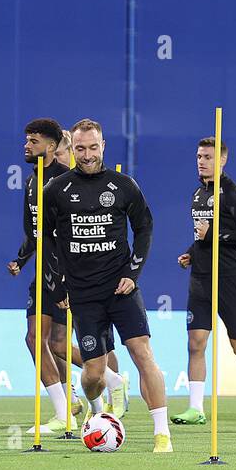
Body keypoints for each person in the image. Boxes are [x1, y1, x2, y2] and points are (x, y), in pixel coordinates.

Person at [42, 119, 172, 452]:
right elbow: (48, 242)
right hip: (84, 295)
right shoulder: (56, 190)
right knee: (93, 374)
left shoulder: (124, 185)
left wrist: (134, 273)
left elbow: (145, 228)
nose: (87, 155)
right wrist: (58, 286)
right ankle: (98, 414)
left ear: (103, 146)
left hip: (121, 289)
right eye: (80, 148)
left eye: (93, 147)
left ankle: (162, 434)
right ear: (73, 149)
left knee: (142, 353)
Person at [173, 137, 236, 426]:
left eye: (207, 157)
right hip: (200, 278)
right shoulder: (197, 195)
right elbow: (199, 236)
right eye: (199, 156)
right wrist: (191, 253)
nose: (201, 161)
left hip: (228, 278)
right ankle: (195, 408)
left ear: (222, 160)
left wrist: (213, 235)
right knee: (196, 342)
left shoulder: (232, 193)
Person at [7, 119, 94, 434]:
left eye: (33, 141)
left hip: (65, 273)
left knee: (58, 343)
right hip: (41, 271)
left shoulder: (66, 181)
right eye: (26, 139)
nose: (26, 145)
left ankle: (109, 380)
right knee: (34, 339)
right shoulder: (32, 181)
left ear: (52, 147)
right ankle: (65, 412)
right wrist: (21, 258)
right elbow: (34, 230)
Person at [47, 128, 128, 421]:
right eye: (79, 149)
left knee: (73, 345)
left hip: (88, 280)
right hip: (60, 274)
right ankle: (97, 401)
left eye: (61, 152)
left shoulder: (73, 181)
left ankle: (110, 386)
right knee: (56, 343)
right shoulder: (47, 184)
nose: (85, 155)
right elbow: (42, 236)